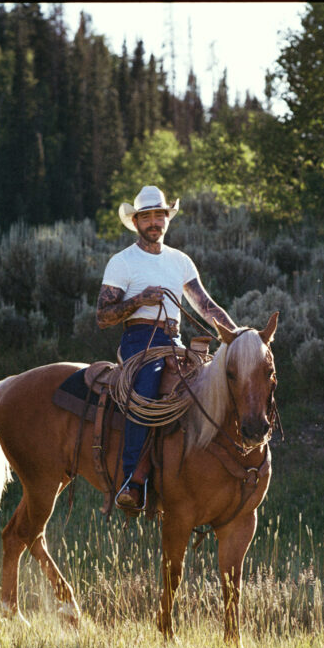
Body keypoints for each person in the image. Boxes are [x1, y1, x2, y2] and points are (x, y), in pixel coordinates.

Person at [96, 185, 236, 511]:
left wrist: (236, 335)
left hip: (174, 341)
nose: (155, 222)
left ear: (167, 219)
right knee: (147, 389)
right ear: (136, 222)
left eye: (160, 215)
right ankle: (132, 481)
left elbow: (206, 306)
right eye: (147, 216)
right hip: (139, 341)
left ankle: (204, 479)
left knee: (215, 384)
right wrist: (139, 301)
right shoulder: (122, 262)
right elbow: (103, 317)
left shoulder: (180, 261)